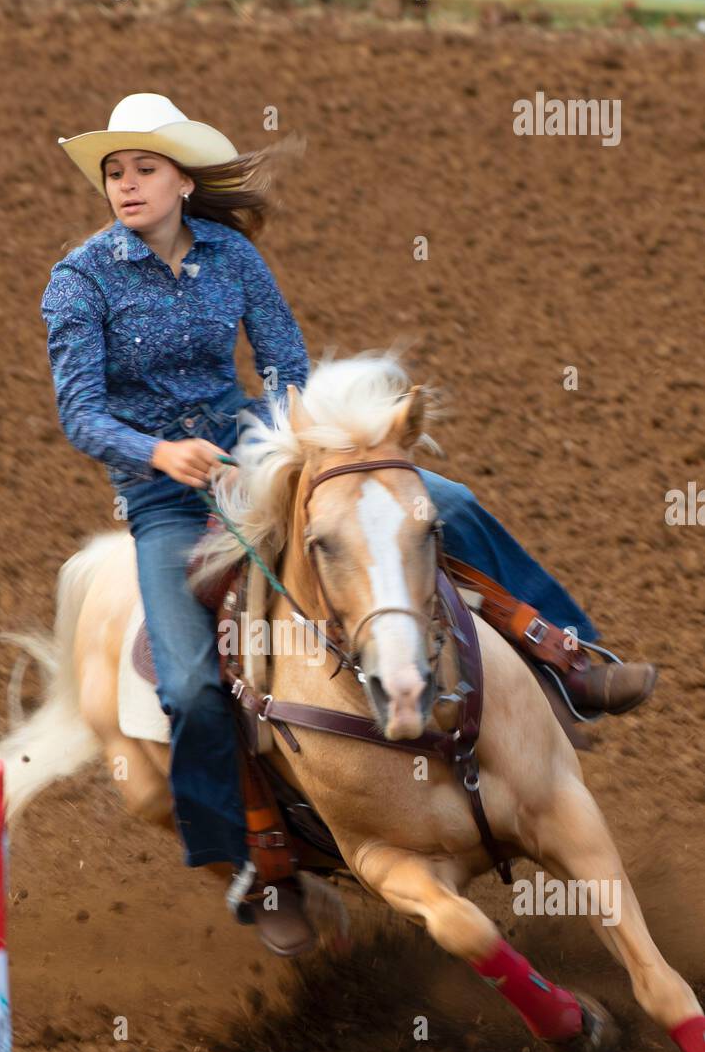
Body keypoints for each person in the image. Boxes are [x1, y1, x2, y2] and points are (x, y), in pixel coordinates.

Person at [41, 93, 656, 959]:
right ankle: (264, 864)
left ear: (182, 178)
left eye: (142, 167)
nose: (125, 184)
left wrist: (293, 440)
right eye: (113, 171)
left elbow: (286, 357)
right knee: (186, 687)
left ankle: (569, 655)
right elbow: (81, 413)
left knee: (451, 505)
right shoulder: (79, 280)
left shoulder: (232, 256)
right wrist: (159, 452)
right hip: (167, 501)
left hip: (268, 464)